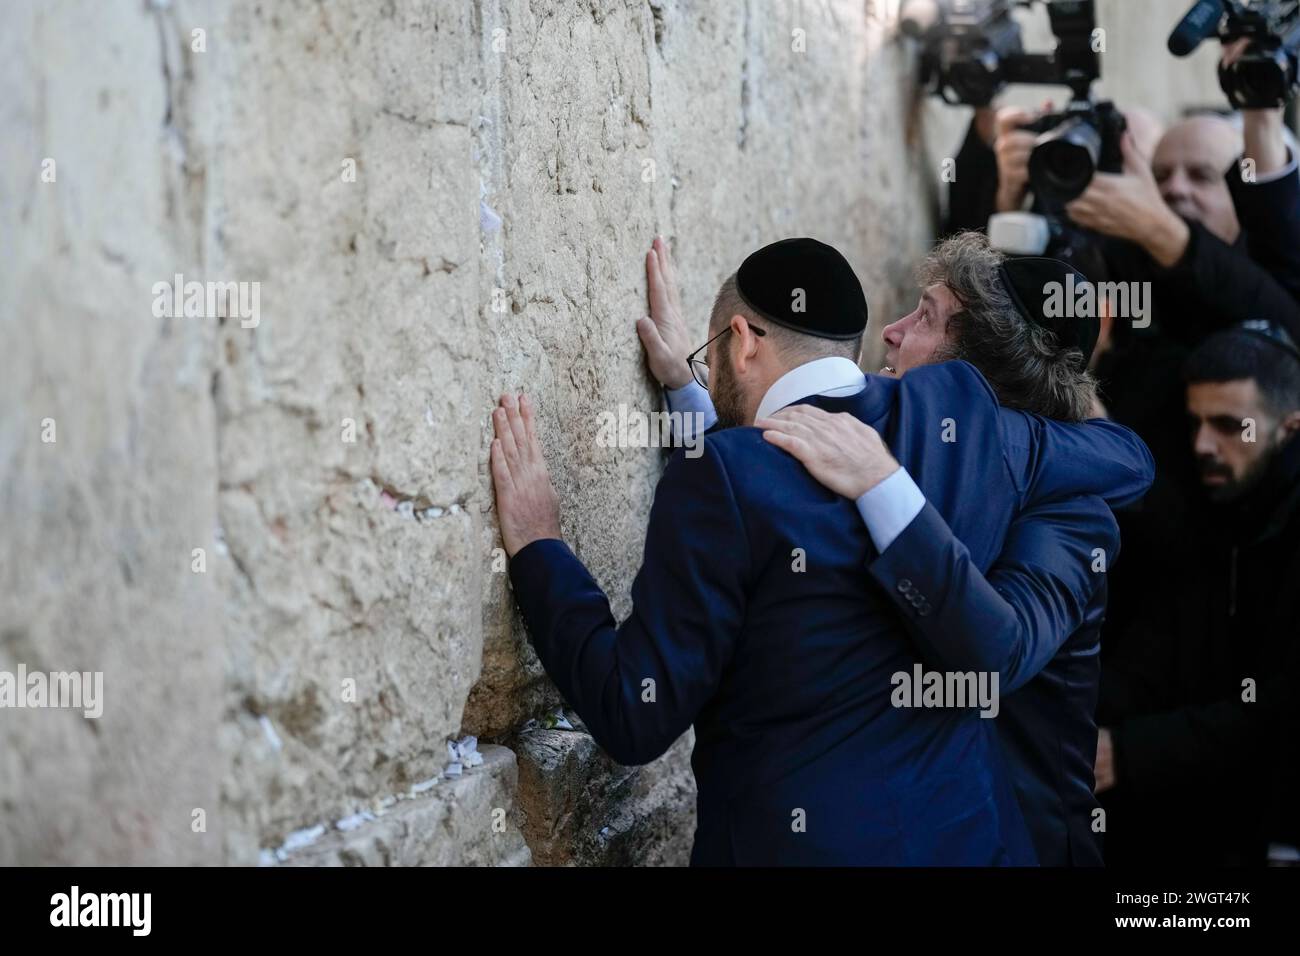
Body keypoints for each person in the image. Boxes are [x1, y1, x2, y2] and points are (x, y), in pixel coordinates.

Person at [491, 237, 1151, 865]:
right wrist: (699, 387)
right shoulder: (932, 444)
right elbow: (782, 504)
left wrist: (541, 546)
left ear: (973, 380)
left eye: (926, 317)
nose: (890, 330)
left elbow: (996, 650)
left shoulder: (1055, 506)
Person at [1096, 324, 1300, 866]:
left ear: (1290, 426)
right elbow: (1163, 641)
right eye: (1197, 423)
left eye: (1232, 426)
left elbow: (1281, 709)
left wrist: (1132, 754)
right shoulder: (1223, 507)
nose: (1203, 444)